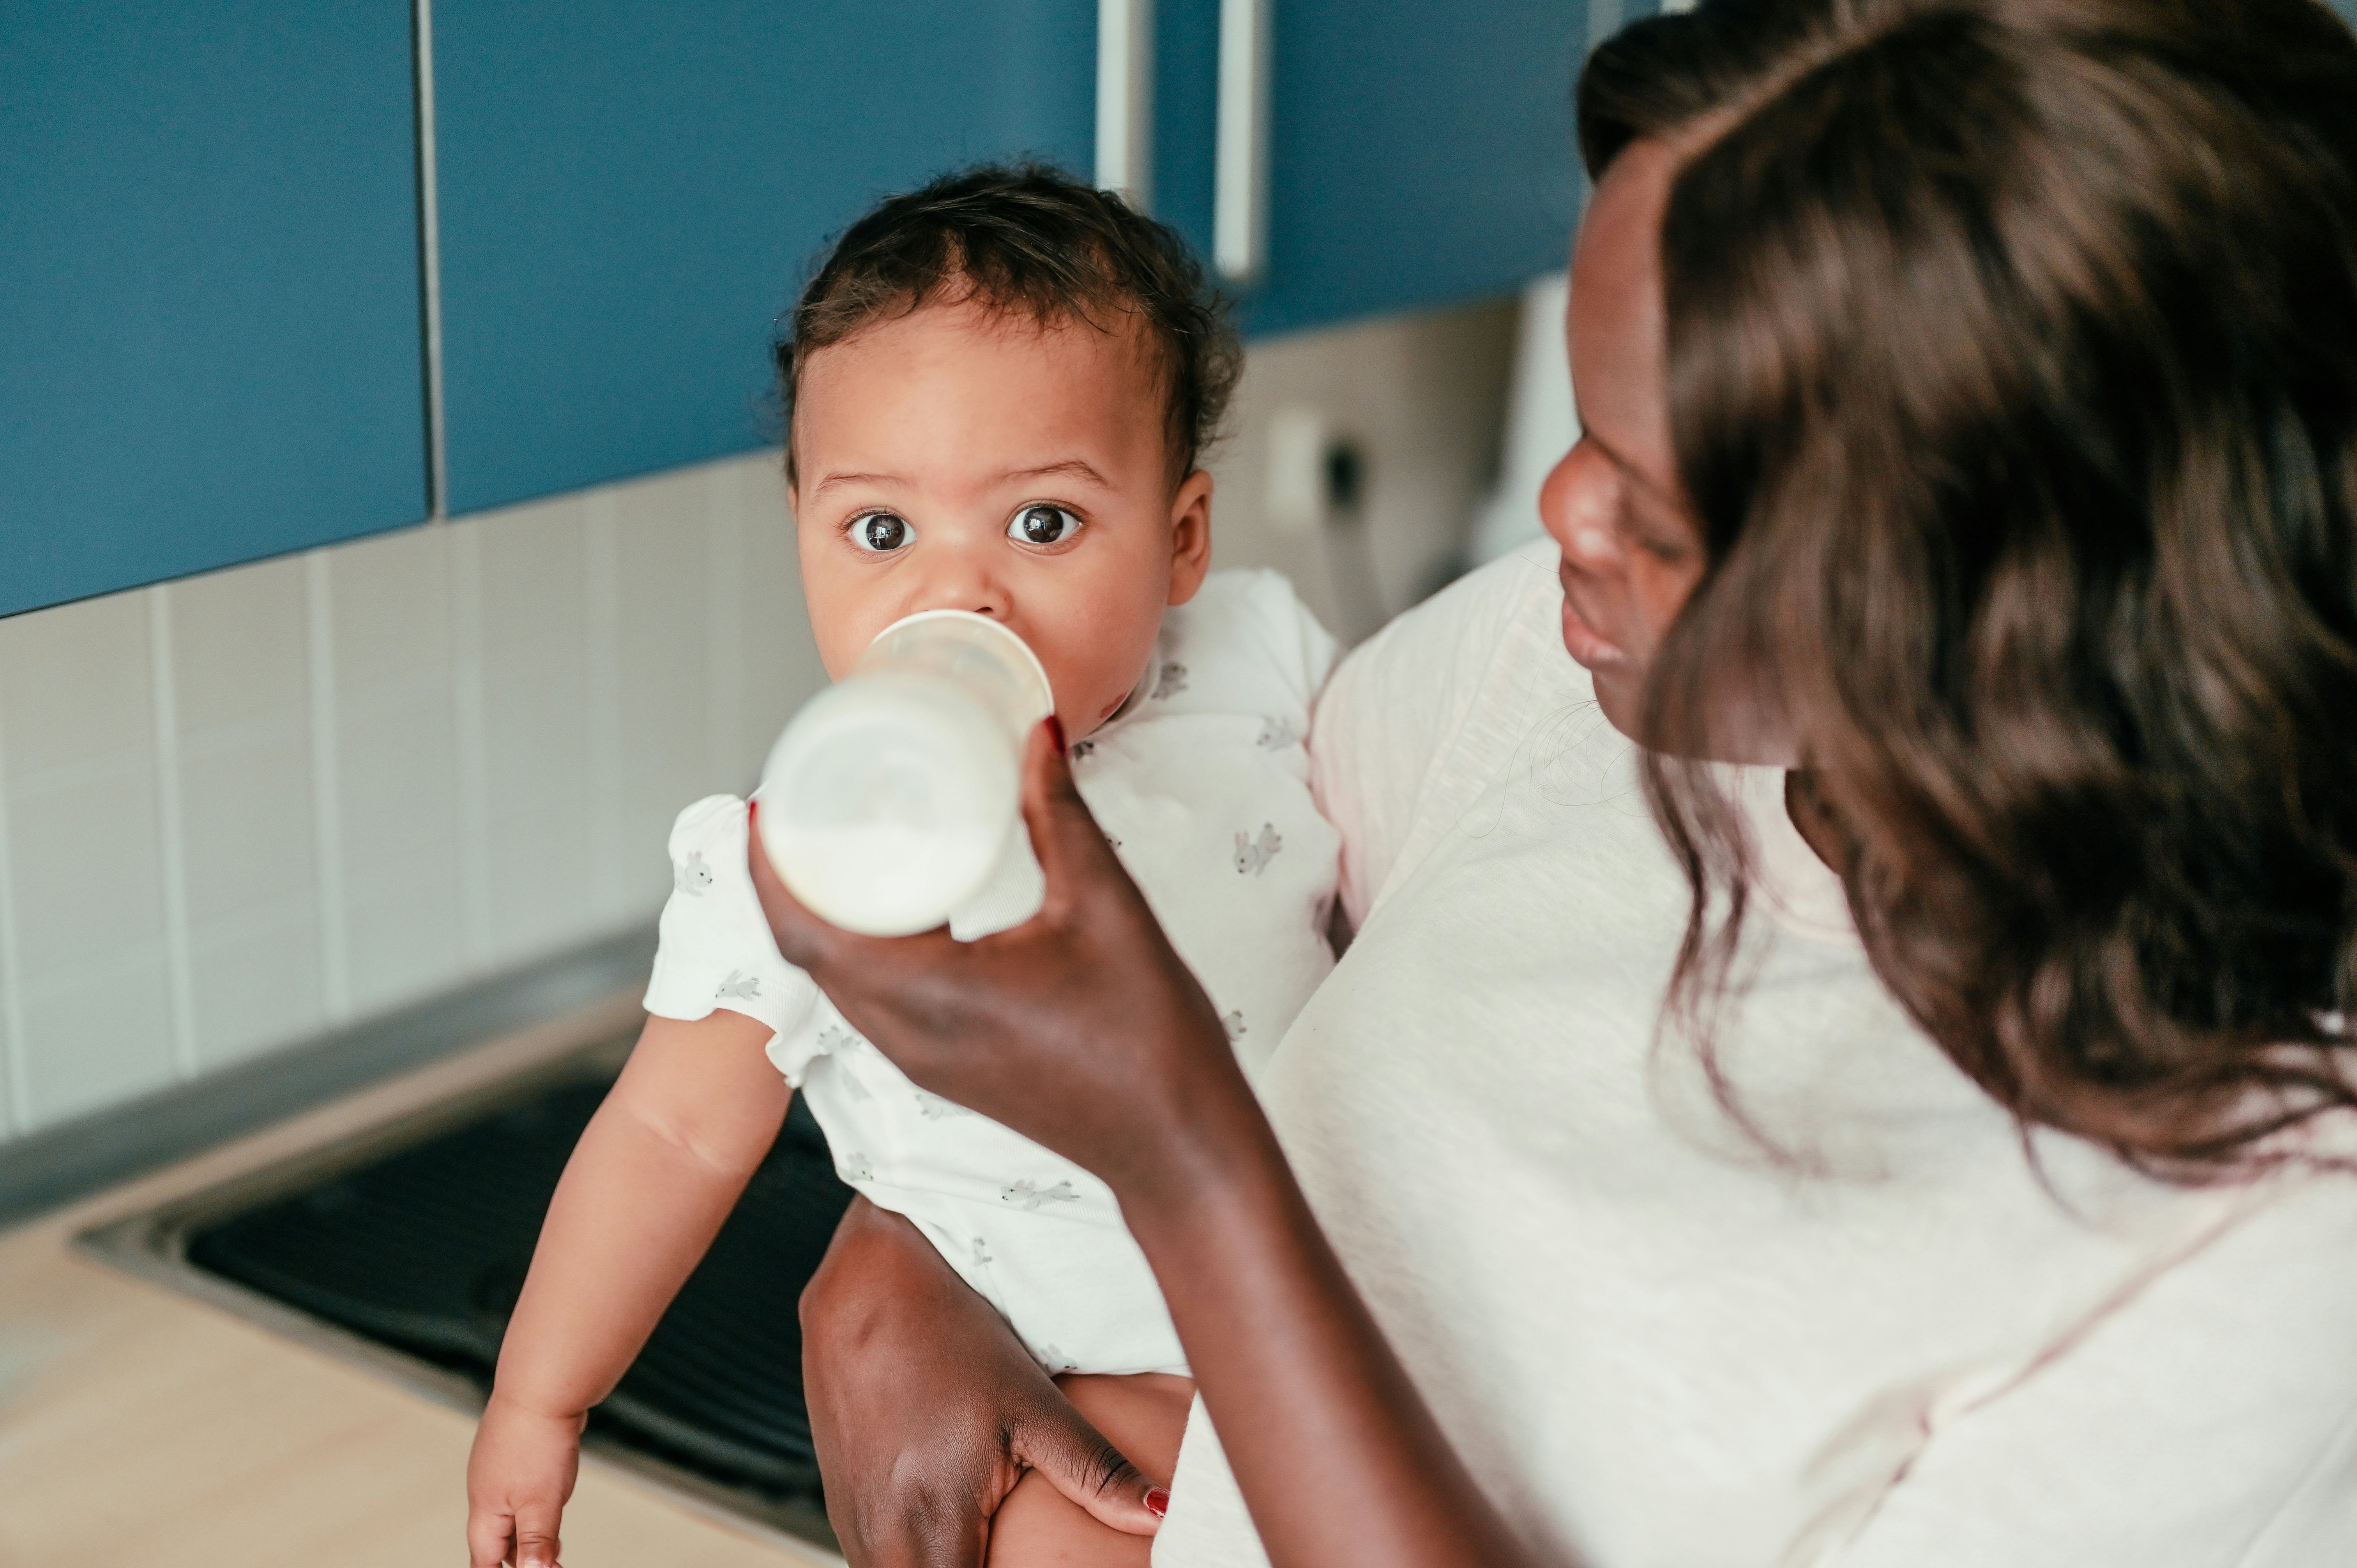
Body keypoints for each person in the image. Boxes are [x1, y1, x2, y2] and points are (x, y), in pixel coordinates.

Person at [761, 0, 2357, 1564]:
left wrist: (1180, 1153)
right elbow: (1204, 907)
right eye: (1590, 429)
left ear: (2034, 576)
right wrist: (908, 1244)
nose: (1562, 513)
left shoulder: (2268, 1222)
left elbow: (1174, 1097)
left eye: (1657, 507)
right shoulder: (1560, 663)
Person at [464, 167, 1347, 1568]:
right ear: (803, 532)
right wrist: (539, 1399)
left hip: (1338, 1327)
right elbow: (672, 1132)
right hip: (1077, 1381)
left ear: (1182, 540)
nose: (956, 593)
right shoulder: (798, 851)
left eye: (1043, 523)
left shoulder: (1259, 659)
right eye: (881, 532)